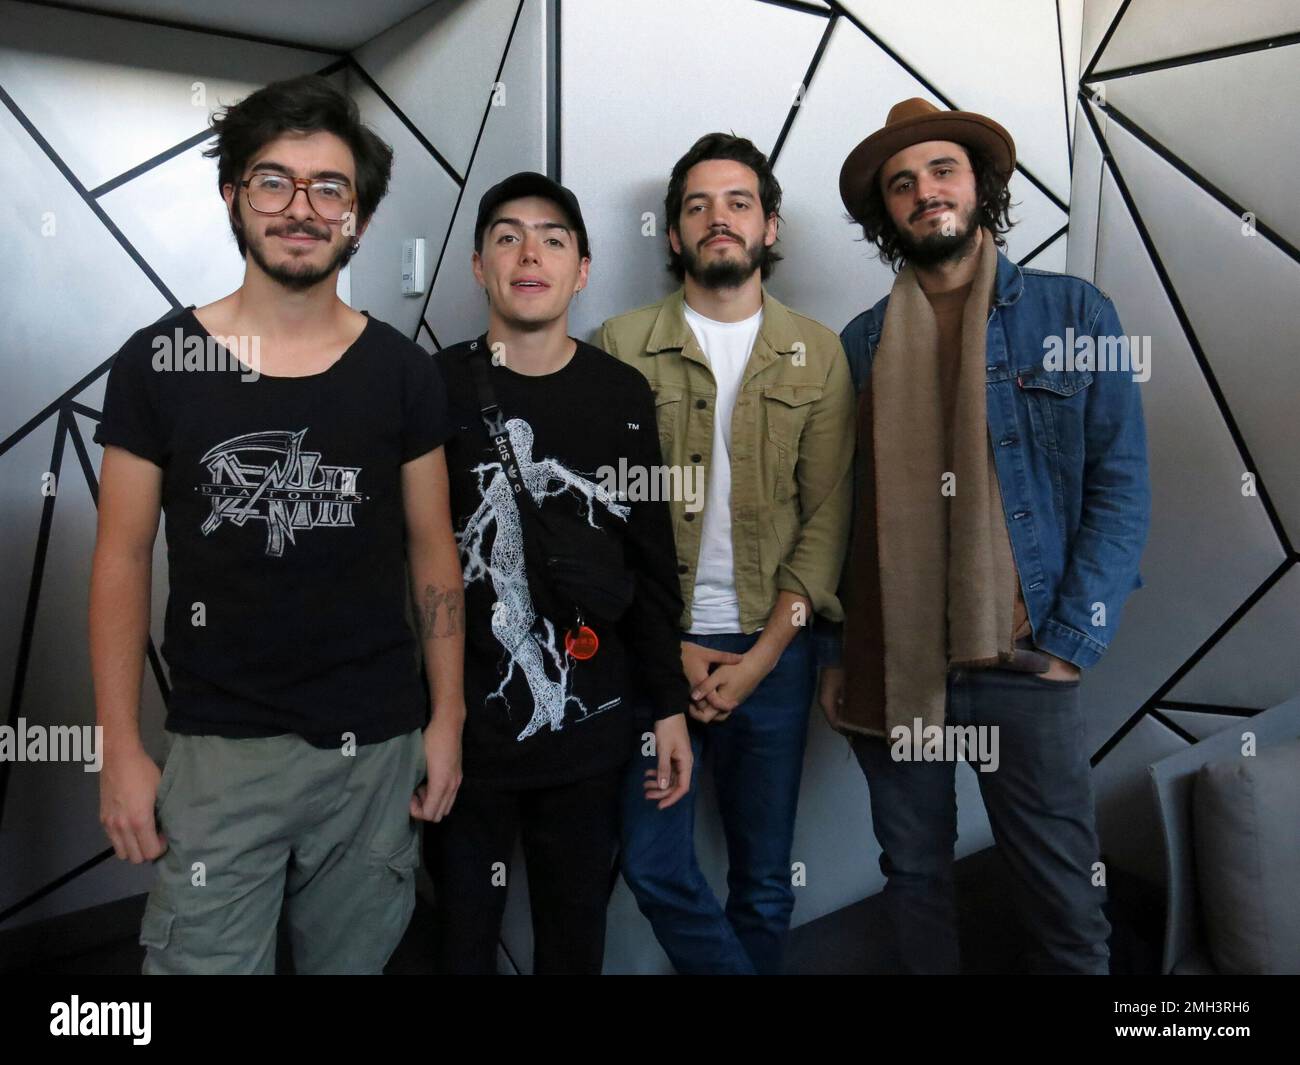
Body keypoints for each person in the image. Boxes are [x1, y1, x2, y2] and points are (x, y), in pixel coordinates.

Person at [90, 74, 465, 975]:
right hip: (221, 752)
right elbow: (120, 557)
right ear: (233, 197)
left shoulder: (404, 373)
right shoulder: (159, 362)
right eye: (273, 181)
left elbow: (434, 552)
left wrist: (445, 716)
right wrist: (118, 748)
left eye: (329, 187)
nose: (301, 208)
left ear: (360, 219)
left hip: (375, 749)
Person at [821, 97, 1151, 973]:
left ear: (979, 186)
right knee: (917, 885)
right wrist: (832, 653)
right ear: (887, 213)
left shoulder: (1077, 314)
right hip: (894, 666)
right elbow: (839, 519)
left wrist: (1070, 643)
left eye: (941, 171)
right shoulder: (859, 344)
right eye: (902, 183)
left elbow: (1122, 485)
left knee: (1064, 904)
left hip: (1021, 661)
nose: (925, 192)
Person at [427, 172, 693, 974]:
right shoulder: (431, 388)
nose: (529, 253)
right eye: (507, 236)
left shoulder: (621, 393)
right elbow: (408, 558)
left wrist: (667, 708)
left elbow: (648, 557)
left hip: (593, 733)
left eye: (552, 237)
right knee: (459, 938)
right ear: (479, 266)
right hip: (464, 737)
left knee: (574, 937)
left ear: (582, 267)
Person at [601, 134, 854, 974]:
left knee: (764, 879)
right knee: (651, 859)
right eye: (698, 205)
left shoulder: (818, 353)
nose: (720, 218)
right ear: (673, 234)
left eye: (739, 202)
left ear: (769, 227)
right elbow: (605, 519)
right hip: (650, 652)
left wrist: (765, 656)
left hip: (772, 655)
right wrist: (666, 649)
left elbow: (824, 521)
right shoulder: (619, 345)